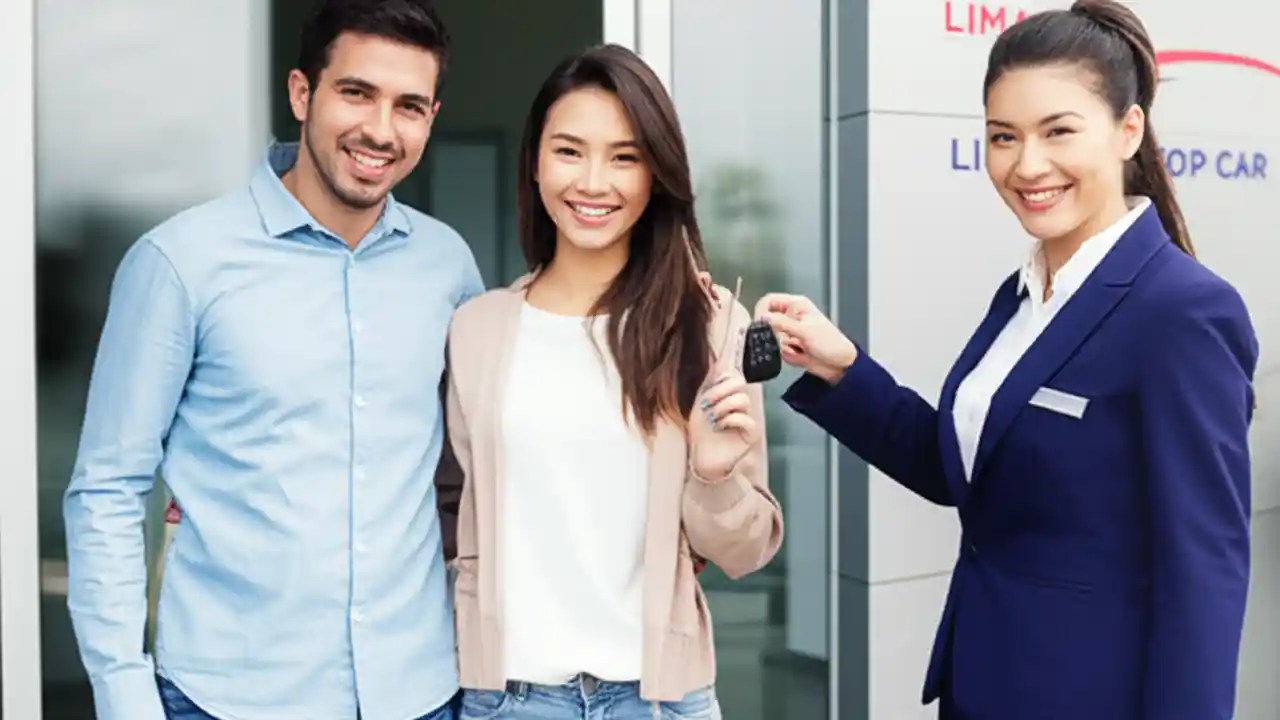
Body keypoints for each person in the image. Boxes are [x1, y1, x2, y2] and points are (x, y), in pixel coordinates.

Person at [757, 2, 1258, 719]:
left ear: (1128, 130)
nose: (1027, 165)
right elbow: (967, 473)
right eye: (1003, 136)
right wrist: (842, 371)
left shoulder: (1182, 312)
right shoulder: (1023, 295)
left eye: (1058, 131)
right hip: (980, 685)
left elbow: (1204, 573)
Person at [62, 2, 482, 719]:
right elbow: (107, 488)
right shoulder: (180, 262)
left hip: (419, 693)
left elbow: (474, 465)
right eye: (357, 93)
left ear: (431, 117)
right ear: (301, 93)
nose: (382, 130)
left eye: (409, 106)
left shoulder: (447, 265)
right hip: (227, 700)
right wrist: (125, 692)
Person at [434, 44, 784, 720]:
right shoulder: (476, 329)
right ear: (535, 162)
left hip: (658, 702)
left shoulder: (711, 325)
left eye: (625, 157)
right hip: (508, 700)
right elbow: (452, 515)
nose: (594, 182)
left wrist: (713, 475)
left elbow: (745, 552)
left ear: (656, 174)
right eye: (570, 151)